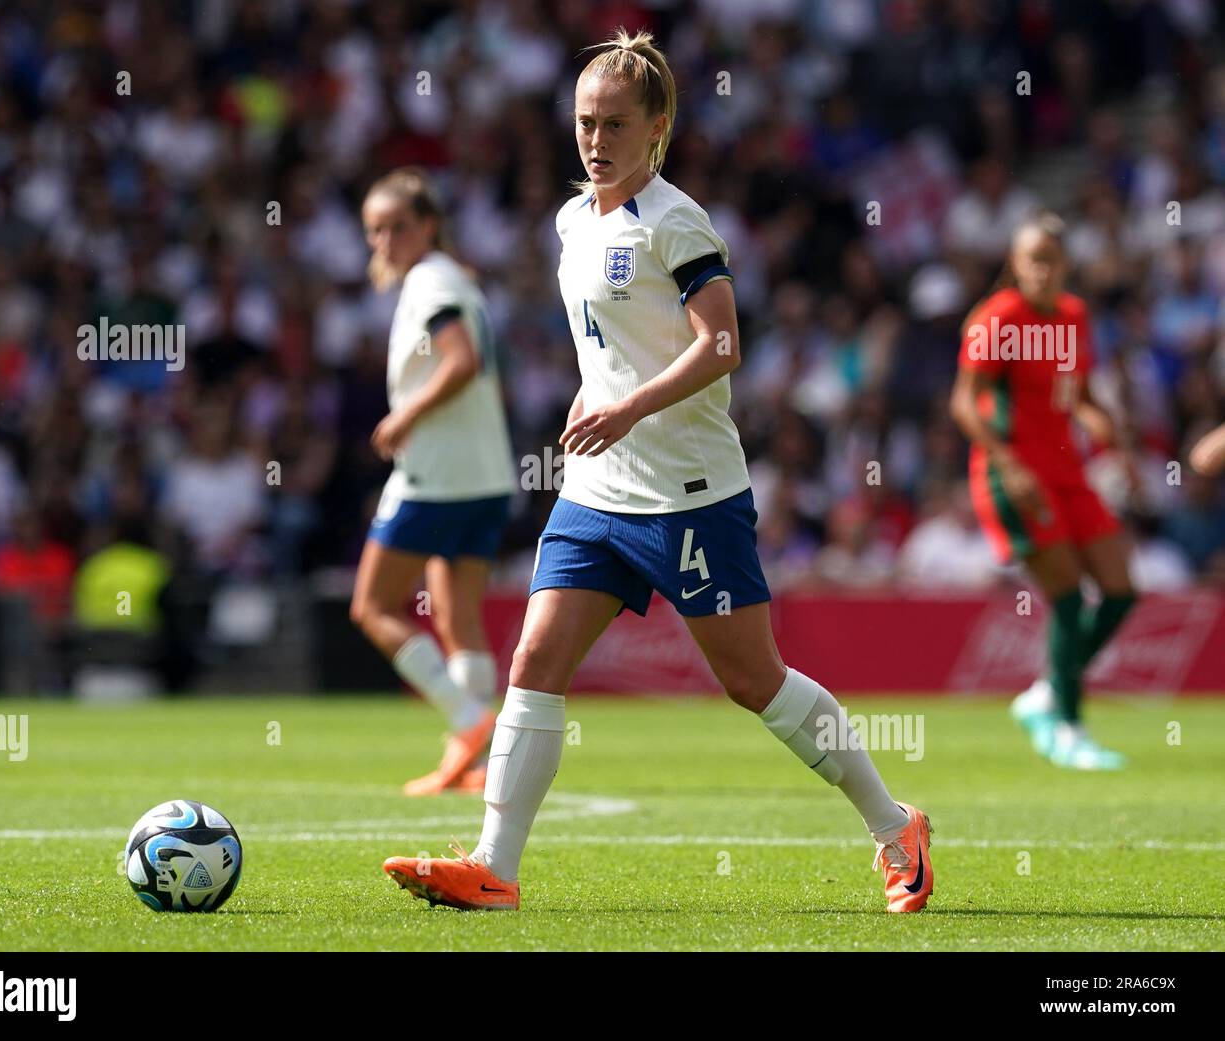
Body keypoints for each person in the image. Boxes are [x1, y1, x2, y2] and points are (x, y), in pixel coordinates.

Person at [381, 29, 933, 912]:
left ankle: (893, 823)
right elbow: (619, 346)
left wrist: (629, 405)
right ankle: (495, 864)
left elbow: (722, 344)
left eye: (613, 124)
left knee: (754, 680)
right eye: (583, 123)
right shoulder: (572, 219)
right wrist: (594, 396)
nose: (594, 140)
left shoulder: (675, 221)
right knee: (534, 655)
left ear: (659, 127)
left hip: (688, 494)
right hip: (598, 488)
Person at [349, 168, 517, 795]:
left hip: (436, 476)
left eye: (397, 227)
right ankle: (473, 765)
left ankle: (468, 718)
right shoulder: (456, 280)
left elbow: (461, 363)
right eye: (375, 231)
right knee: (457, 616)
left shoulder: (428, 282)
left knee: (370, 605)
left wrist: (405, 415)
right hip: (486, 475)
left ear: (429, 226)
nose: (385, 242)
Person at [950, 212, 1137, 770]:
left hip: (1067, 471)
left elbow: (1075, 391)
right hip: (1014, 474)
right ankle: (1066, 725)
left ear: (1066, 264)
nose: (1042, 270)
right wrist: (1008, 464)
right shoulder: (998, 317)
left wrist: (1102, 424)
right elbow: (963, 402)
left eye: (1051, 259)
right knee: (1070, 595)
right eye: (1032, 259)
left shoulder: (1075, 316)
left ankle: (1046, 692)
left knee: (1121, 589)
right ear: (1015, 262)